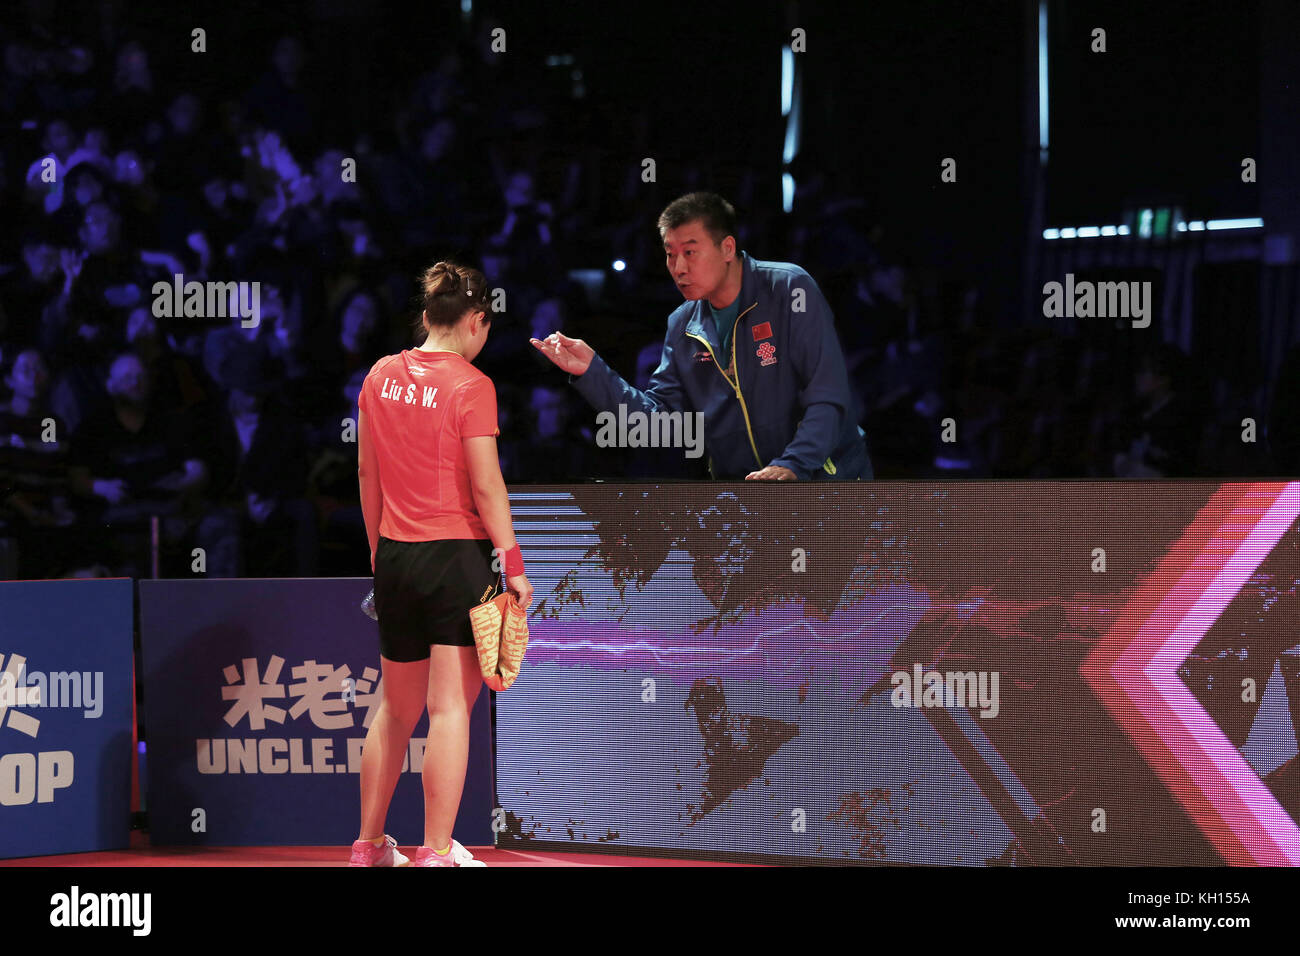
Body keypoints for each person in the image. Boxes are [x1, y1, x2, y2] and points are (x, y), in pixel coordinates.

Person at [351, 260, 533, 868]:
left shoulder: (379, 377)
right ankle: (435, 853)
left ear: (426, 316)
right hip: (456, 560)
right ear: (477, 321)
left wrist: (381, 555)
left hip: (396, 557)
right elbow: (487, 487)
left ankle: (369, 845)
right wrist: (512, 564)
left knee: (394, 708)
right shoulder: (471, 386)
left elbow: (365, 474)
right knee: (449, 709)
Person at [530, 191, 872, 480]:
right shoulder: (681, 325)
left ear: (726, 248)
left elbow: (828, 394)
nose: (678, 268)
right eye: (670, 254)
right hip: (748, 496)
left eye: (689, 252)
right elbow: (657, 426)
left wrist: (793, 464)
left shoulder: (787, 288)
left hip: (827, 481)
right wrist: (592, 372)